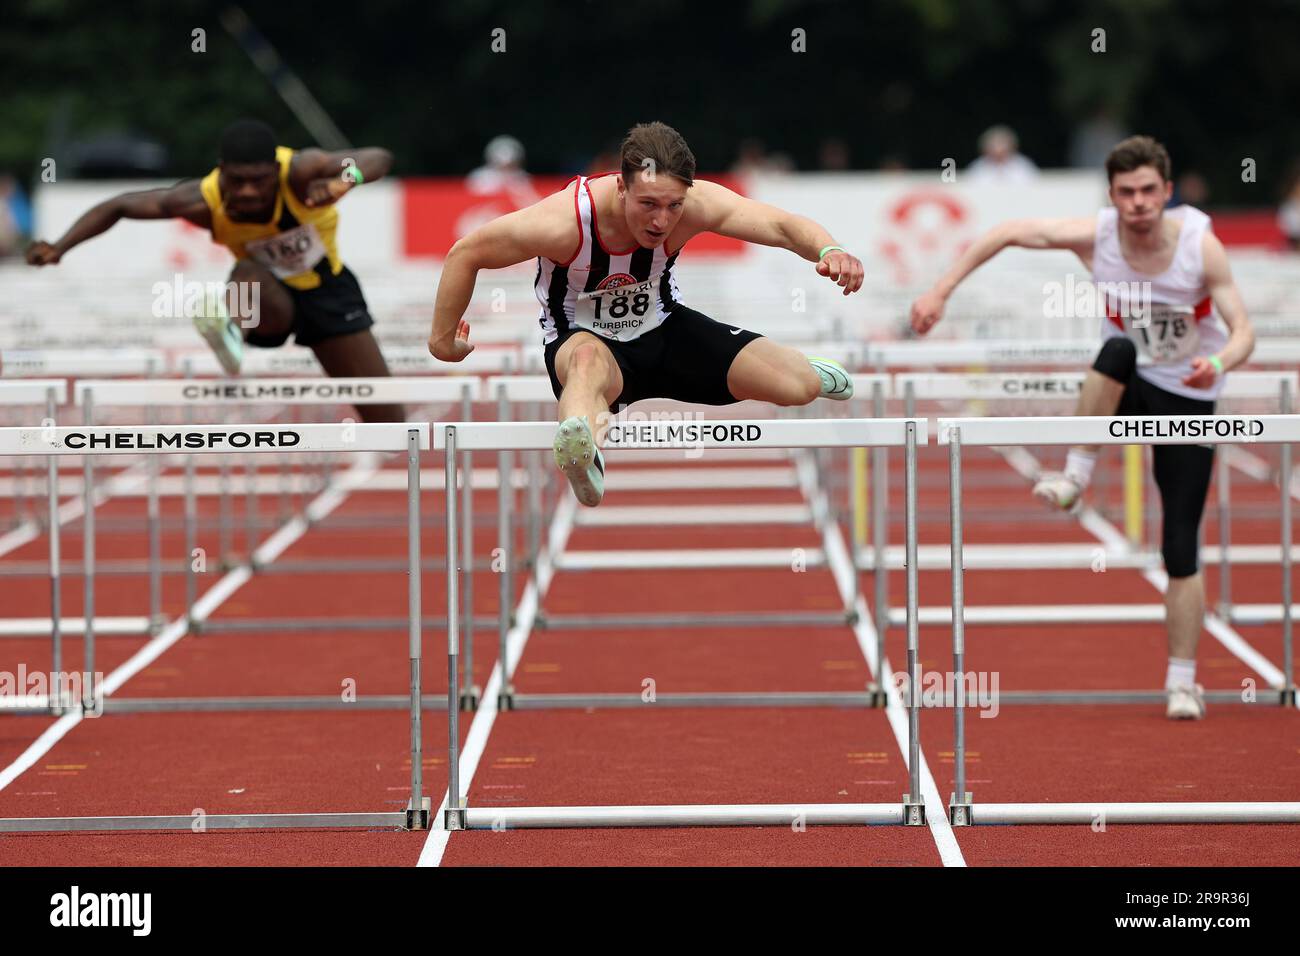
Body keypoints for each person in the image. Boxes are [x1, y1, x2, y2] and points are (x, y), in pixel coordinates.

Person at [910, 135, 1255, 720]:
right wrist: (941, 288)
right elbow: (1007, 232)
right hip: (1125, 386)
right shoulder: (1095, 235)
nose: (1139, 203)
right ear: (1112, 196)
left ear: (1167, 192)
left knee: (1180, 547)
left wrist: (1218, 363)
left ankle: (1182, 681)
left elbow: (1243, 329)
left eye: (1149, 191)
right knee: (1117, 348)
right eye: (1127, 193)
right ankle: (1075, 476)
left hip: (1189, 396)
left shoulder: (1202, 246)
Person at [429, 121, 861, 507]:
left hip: (664, 329)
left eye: (673, 205)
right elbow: (467, 253)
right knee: (586, 366)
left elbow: (783, 227)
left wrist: (830, 250)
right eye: (648, 204)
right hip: (583, 337)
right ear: (621, 186)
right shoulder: (564, 222)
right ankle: (585, 456)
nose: (661, 221)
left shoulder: (696, 205)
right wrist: (442, 341)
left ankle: (808, 372)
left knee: (798, 387)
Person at [26, 119, 403, 423]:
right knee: (248, 269)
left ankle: (236, 327)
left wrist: (344, 180)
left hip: (328, 292)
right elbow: (120, 206)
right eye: (237, 181)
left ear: (276, 170)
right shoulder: (198, 201)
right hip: (266, 303)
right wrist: (59, 247)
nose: (248, 192)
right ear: (222, 172)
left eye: (259, 180)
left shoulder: (302, 171)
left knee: (388, 421)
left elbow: (377, 158)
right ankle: (230, 334)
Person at [966, 125, 1039, 184]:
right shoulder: (977, 167)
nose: (998, 149)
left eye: (1002, 143)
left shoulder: (1023, 165)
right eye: (994, 144)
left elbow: (1034, 184)